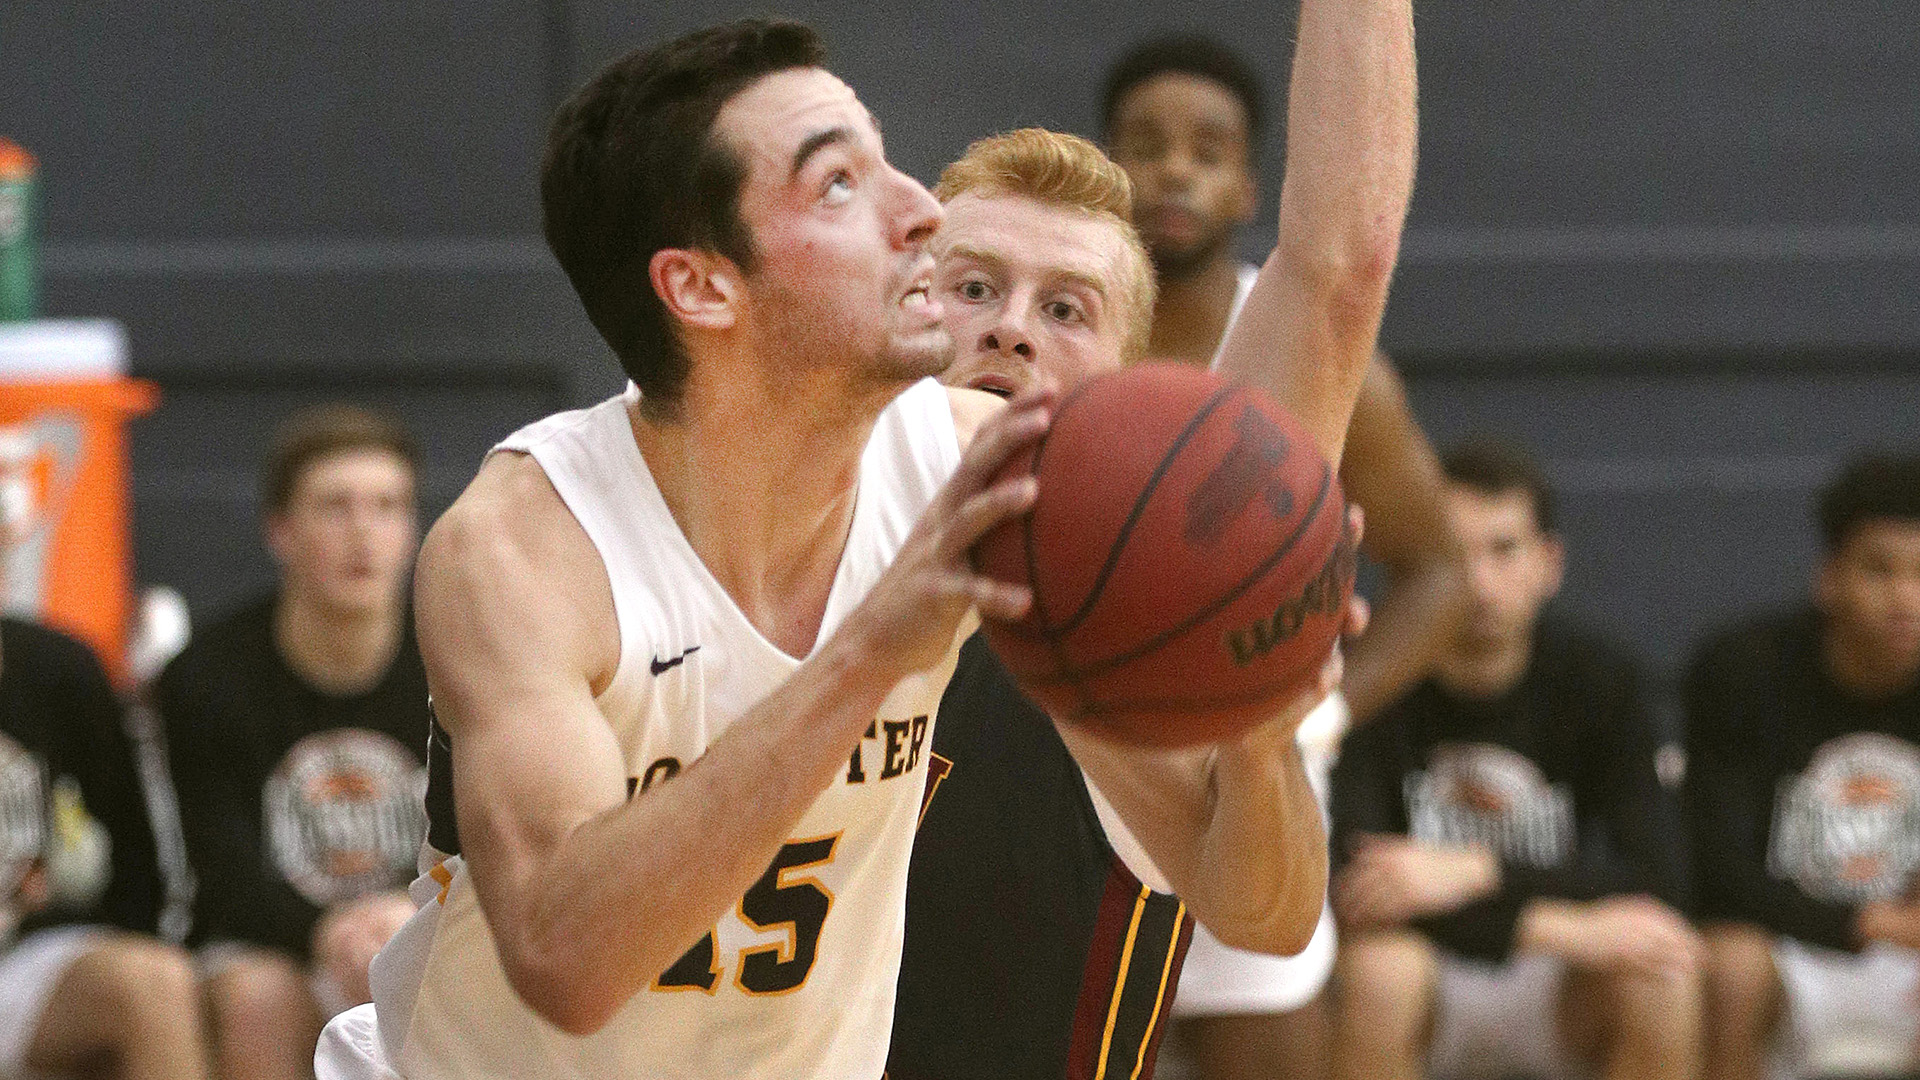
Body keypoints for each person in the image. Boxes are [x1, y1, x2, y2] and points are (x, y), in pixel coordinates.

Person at [317, 18, 1367, 1080]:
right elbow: (565, 959)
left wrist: (1256, 716)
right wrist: (870, 653)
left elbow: (1254, 911)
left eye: (887, 163)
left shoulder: (974, 472)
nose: (916, 211)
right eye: (837, 185)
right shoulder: (524, 548)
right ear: (703, 286)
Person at [1103, 33, 1462, 1080]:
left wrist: (1330, 709)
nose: (1176, 168)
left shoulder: (1322, 357)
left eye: (1208, 148)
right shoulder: (1053, 333)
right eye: (1148, 143)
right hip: (1076, 770)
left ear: (1251, 182)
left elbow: (1437, 569)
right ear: (1103, 161)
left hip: (1252, 790)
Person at [1327, 438, 1700, 1080]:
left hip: (1559, 986)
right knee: (1377, 975)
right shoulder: (1369, 683)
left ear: (1548, 564)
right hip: (1423, 974)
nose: (1478, 583)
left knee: (1662, 972)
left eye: (1504, 551)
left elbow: (1658, 873)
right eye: (1453, 554)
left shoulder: (1604, 681)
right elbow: (1359, 891)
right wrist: (1560, 924)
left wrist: (1478, 872)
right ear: (1416, 567)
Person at [158, 405, 426, 1080]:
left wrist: (415, 915)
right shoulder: (207, 673)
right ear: (281, 530)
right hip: (264, 938)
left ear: (413, 528)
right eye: (335, 507)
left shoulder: (464, 657)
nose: (363, 532)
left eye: (387, 506)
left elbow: (498, 837)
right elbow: (216, 865)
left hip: (420, 924)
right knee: (259, 998)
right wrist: (323, 930)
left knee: (438, 979)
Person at [1688, 452, 1920, 1080]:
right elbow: (1716, 871)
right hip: (1786, 942)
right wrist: (1868, 920)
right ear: (1829, 578)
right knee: (1727, 967)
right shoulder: (1744, 672)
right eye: (1880, 570)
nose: (1906, 597)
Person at [0, 550, 208, 1077]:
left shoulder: (56, 672)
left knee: (155, 982)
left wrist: (62, 906)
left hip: (18, 957)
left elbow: (138, 858)